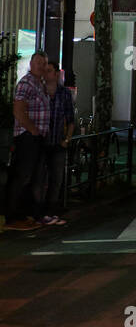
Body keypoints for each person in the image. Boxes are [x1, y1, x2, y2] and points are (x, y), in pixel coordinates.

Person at [5, 51, 49, 231]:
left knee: (30, 177)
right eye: (38, 63)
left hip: (36, 137)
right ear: (31, 64)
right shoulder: (26, 83)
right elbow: (18, 110)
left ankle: (23, 214)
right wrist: (32, 130)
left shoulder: (40, 84)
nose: (41, 66)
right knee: (22, 176)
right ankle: (13, 217)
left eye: (44, 63)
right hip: (27, 137)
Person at [33, 61, 73, 225]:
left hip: (57, 141)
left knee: (56, 179)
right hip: (41, 142)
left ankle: (50, 211)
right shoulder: (39, 91)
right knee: (40, 178)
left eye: (49, 71)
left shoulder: (64, 93)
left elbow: (71, 118)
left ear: (56, 73)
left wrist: (66, 140)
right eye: (45, 71)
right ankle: (39, 212)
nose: (46, 74)